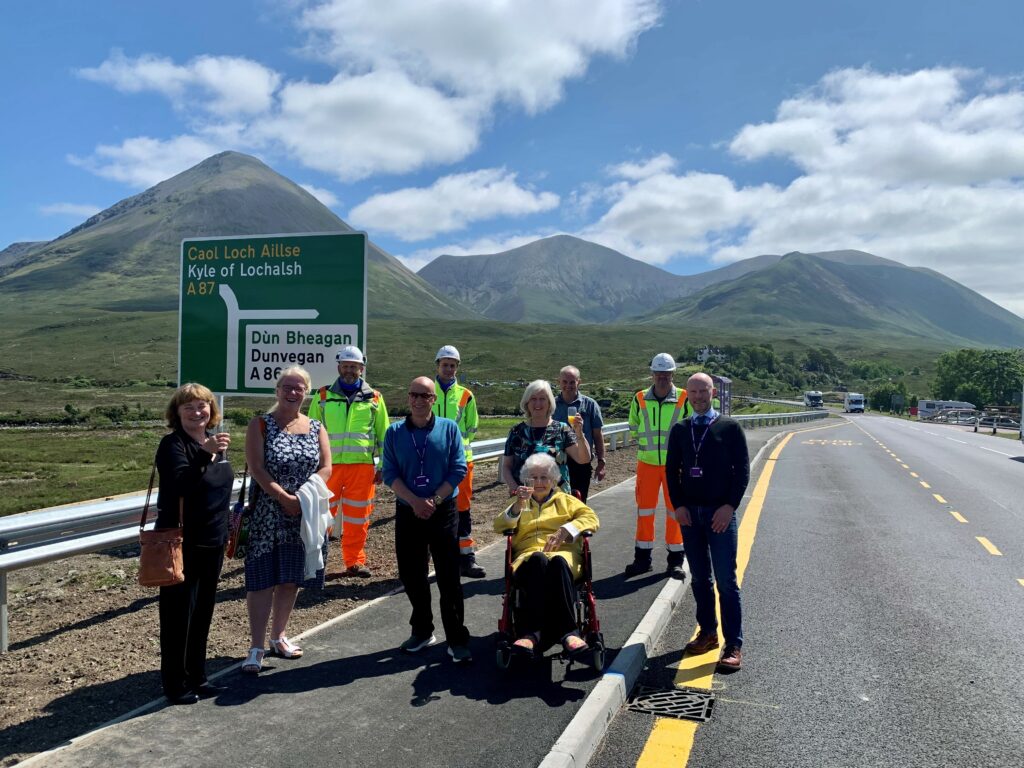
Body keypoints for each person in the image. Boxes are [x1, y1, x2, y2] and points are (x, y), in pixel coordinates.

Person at [243, 367, 332, 674]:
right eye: (287, 387)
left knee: (290, 578)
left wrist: (302, 497)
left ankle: (278, 636)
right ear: (277, 390)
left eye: (299, 388)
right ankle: (256, 647)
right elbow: (257, 468)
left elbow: (326, 468)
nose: (293, 393)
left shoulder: (316, 427)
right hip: (268, 515)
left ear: (306, 393)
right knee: (262, 580)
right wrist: (284, 497)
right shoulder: (260, 424)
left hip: (303, 514)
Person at [381, 376, 473, 663]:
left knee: (448, 575)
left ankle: (456, 638)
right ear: (408, 398)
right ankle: (422, 630)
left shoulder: (449, 428)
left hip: (442, 509)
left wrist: (433, 500)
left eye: (425, 395)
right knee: (411, 573)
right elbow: (389, 473)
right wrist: (414, 501)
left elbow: (458, 468)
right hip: (408, 510)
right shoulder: (394, 432)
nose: (419, 400)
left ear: (434, 399)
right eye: (414, 395)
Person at [666, 372, 750, 672]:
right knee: (700, 579)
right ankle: (708, 633)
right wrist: (678, 506)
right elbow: (671, 471)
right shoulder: (680, 429)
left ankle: (733, 644)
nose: (699, 397)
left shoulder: (730, 427)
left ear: (713, 393)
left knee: (726, 581)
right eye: (693, 392)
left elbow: (742, 471)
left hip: (719, 515)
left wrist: (729, 506)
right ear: (686, 395)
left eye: (704, 391)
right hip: (691, 515)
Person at [155, 383, 233, 705]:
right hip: (182, 543)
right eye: (188, 406)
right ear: (177, 412)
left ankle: (198, 676)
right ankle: (175, 684)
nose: (196, 411)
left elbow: (219, 489)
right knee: (177, 615)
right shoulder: (173, 445)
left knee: (202, 612)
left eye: (202, 405)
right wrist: (205, 453)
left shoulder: (215, 442)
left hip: (213, 541)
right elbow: (180, 484)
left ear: (211, 409)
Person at [495, 453, 599, 657]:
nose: (539, 482)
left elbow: (591, 518)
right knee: (538, 559)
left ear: (553, 480)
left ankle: (569, 633)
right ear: (526, 480)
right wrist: (517, 506)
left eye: (544, 477)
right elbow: (499, 525)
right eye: (533, 477)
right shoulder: (520, 501)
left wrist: (566, 530)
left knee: (557, 561)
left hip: (564, 555)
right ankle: (531, 633)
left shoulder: (567, 500)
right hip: (528, 558)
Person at [307, 345, 389, 577]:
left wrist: (383, 466)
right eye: (346, 366)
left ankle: (354, 562)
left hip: (362, 469)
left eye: (354, 366)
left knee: (358, 518)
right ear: (339, 368)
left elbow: (384, 435)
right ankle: (315, 564)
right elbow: (311, 433)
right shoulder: (323, 396)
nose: (349, 370)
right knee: (320, 517)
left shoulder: (375, 398)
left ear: (361, 369)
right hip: (328, 468)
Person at [625, 353, 693, 579]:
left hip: (676, 466)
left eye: (666, 374)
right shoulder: (639, 398)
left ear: (673, 374)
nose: (662, 378)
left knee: (676, 512)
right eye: (659, 374)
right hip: (647, 464)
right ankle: (642, 560)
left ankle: (675, 561)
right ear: (652, 374)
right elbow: (633, 425)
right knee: (645, 511)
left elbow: (692, 428)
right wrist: (647, 446)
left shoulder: (684, 398)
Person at [431, 345, 485, 579]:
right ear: (438, 365)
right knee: (432, 509)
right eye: (445, 364)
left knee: (462, 509)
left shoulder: (466, 395)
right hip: (432, 462)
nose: (449, 369)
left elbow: (472, 427)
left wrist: (456, 447)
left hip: (461, 463)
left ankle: (466, 559)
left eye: (452, 365)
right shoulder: (427, 390)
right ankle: (436, 559)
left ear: (457, 367)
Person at [501, 379, 591, 497]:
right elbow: (506, 466)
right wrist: (515, 489)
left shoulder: (562, 429)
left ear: (549, 403)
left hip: (557, 499)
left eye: (542, 399)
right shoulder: (516, 431)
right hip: (525, 500)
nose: (538, 403)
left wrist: (579, 433)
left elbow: (583, 459)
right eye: (533, 399)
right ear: (527, 403)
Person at [552, 365, 606, 502]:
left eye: (572, 382)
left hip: (581, 462)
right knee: (556, 504)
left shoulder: (590, 405)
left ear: (579, 382)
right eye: (565, 382)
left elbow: (598, 435)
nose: (568, 386)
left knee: (579, 503)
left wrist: (601, 462)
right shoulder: (551, 405)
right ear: (559, 382)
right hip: (556, 463)